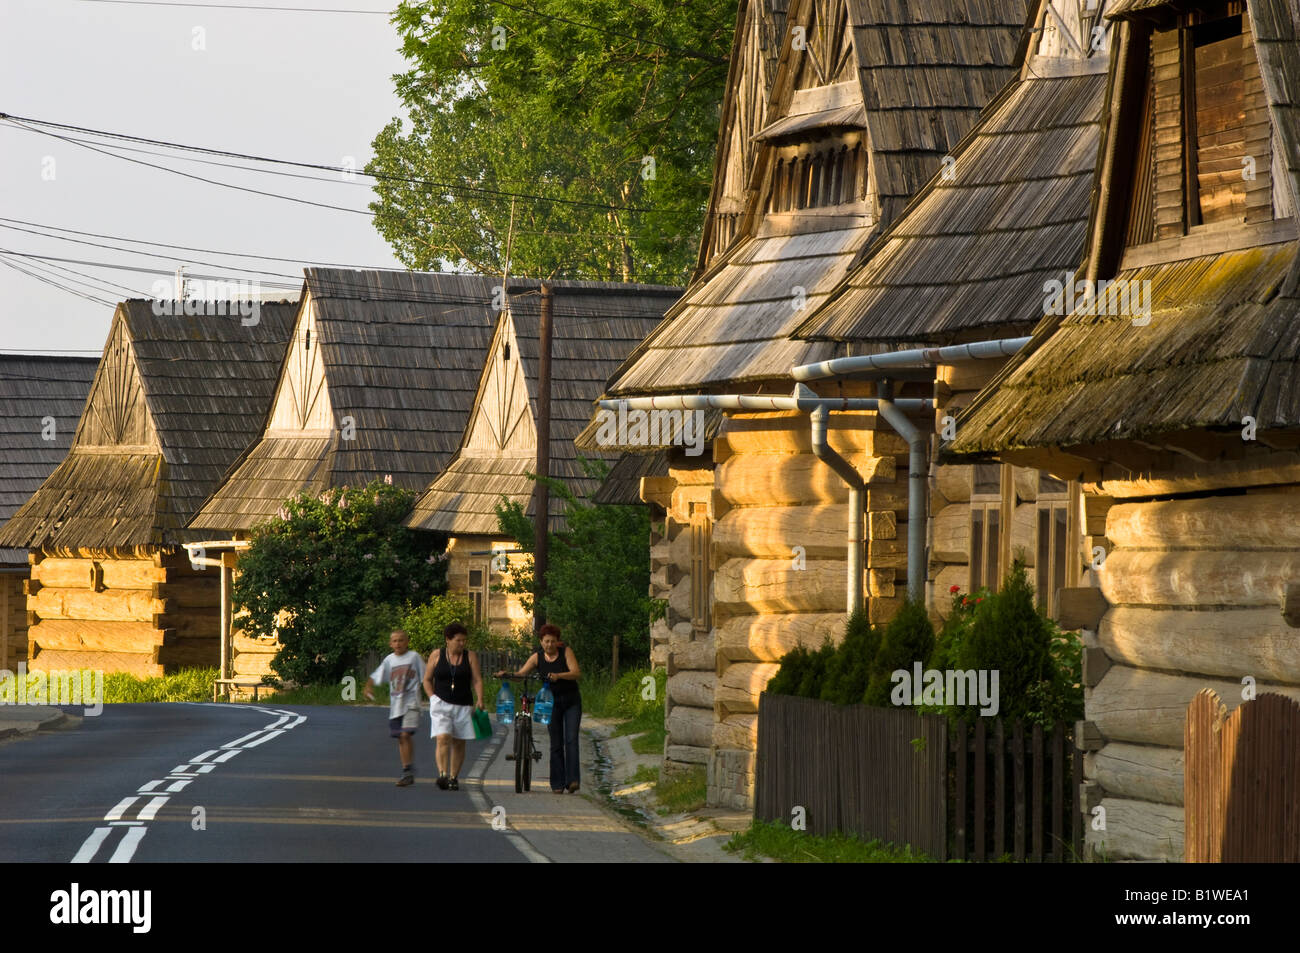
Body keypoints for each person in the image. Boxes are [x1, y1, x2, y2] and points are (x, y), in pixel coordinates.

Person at [497, 623, 581, 794]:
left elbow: (576, 673)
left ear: (558, 642)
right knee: (556, 742)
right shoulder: (537, 657)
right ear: (541, 642)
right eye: (546, 641)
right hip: (551, 703)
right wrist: (507, 675)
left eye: (552, 641)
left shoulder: (566, 652)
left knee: (571, 739)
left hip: (571, 701)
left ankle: (572, 780)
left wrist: (559, 676)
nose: (549, 645)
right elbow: (522, 674)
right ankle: (557, 783)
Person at [422, 622, 484, 790]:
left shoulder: (470, 656)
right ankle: (442, 774)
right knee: (442, 737)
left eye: (464, 640)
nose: (462, 643)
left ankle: (453, 777)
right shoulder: (436, 655)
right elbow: (427, 680)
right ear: (448, 640)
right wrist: (432, 697)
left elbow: (477, 679)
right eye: (458, 640)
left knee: (459, 742)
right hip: (440, 703)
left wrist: (480, 698)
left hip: (463, 704)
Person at [363, 629, 425, 787]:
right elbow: (377, 675)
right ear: (390, 644)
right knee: (400, 738)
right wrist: (368, 687)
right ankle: (407, 770)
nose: (398, 643)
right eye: (395, 641)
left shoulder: (414, 657)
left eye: (401, 640)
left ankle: (408, 770)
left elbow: (426, 676)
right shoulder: (389, 660)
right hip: (396, 705)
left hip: (412, 703)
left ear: (407, 642)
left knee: (405, 735)